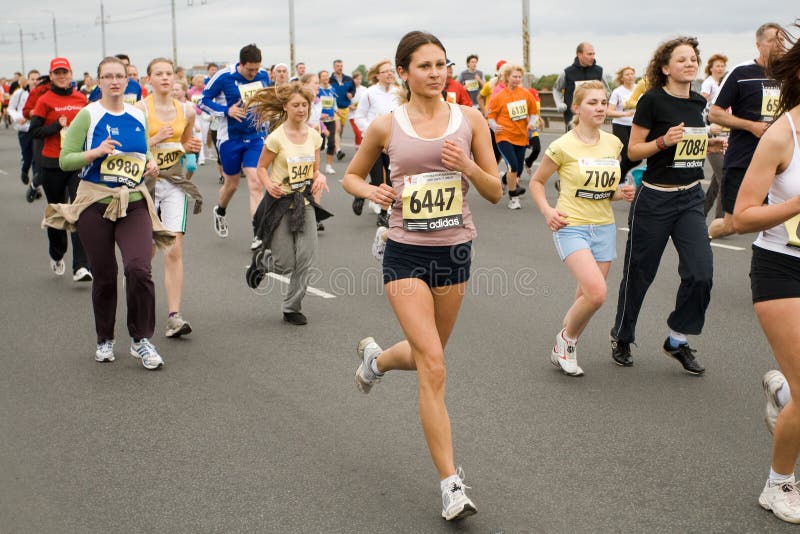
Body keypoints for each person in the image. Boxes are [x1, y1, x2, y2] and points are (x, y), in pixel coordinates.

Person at [342, 30, 502, 521]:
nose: (436, 74)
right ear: (404, 72)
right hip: (405, 254)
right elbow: (350, 175)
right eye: (425, 66)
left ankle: (376, 361)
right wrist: (373, 194)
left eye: (441, 65)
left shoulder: (470, 118)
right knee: (434, 365)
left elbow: (495, 190)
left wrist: (469, 167)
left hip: (454, 251)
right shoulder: (387, 126)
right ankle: (451, 484)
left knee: (424, 352)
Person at [609, 37, 726, 373]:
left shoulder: (697, 101)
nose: (690, 64)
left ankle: (677, 339)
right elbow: (633, 152)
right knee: (639, 273)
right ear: (665, 67)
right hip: (655, 197)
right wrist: (662, 141)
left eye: (693, 59)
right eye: (682, 60)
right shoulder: (652, 100)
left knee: (701, 273)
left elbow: (689, 147)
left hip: (690, 197)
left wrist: (709, 143)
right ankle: (623, 335)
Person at [46, 56, 170, 369]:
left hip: (133, 201)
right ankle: (105, 338)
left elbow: (143, 152)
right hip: (95, 202)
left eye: (120, 76)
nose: (115, 81)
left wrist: (151, 163)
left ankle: (141, 339)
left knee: (139, 269)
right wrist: (96, 152)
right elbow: (66, 160)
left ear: (129, 81)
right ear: (99, 81)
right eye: (108, 76)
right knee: (104, 275)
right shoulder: (88, 115)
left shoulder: (138, 113)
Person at [732, 25, 800, 523]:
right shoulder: (783, 134)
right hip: (781, 269)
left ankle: (782, 391)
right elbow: (742, 215)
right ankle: (778, 485)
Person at [531, 80, 635, 376]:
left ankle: (566, 342)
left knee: (585, 297)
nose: (600, 107)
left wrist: (620, 193)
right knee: (597, 293)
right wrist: (547, 211)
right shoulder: (562, 145)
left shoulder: (613, 143)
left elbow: (604, 190)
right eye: (593, 102)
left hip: (603, 227)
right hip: (571, 226)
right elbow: (537, 183)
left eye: (603, 102)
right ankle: (566, 342)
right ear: (577, 107)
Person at [246, 82, 331, 325]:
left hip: (304, 202)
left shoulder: (314, 136)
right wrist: (267, 184)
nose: (301, 109)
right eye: (296, 105)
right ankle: (262, 262)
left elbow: (315, 170)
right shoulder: (276, 138)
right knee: (284, 264)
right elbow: (261, 167)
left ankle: (291, 307)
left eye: (304, 105)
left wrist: (321, 176)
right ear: (286, 107)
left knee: (306, 258)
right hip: (280, 203)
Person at [138, 58, 203, 338]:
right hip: (145, 185)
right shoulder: (139, 110)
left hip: (173, 182)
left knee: (173, 249)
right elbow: (129, 148)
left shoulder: (186, 110)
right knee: (144, 254)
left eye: (169, 74)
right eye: (158, 74)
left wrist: (191, 148)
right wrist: (153, 141)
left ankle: (174, 316)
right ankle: (139, 300)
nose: (165, 78)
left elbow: (187, 145)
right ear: (148, 79)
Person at [709, 23, 785, 239]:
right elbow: (715, 113)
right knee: (732, 224)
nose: (778, 45)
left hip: (780, 162)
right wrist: (752, 126)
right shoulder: (741, 74)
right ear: (759, 44)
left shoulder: (790, 77)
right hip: (744, 159)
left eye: (781, 40)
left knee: (777, 222)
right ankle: (704, 237)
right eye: (772, 40)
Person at [200, 44, 271, 248]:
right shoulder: (224, 77)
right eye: (250, 69)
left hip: (256, 136)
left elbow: (267, 98)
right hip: (230, 138)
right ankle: (220, 210)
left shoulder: (263, 75)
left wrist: (267, 112)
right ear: (241, 64)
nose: (253, 73)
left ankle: (259, 234)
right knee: (231, 184)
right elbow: (202, 101)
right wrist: (225, 111)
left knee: (256, 182)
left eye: (256, 69)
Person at [30, 57, 92, 282]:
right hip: (52, 163)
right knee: (57, 212)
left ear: (70, 73)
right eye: (57, 73)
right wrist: (57, 126)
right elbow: (34, 131)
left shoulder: (80, 98)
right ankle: (57, 253)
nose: (62, 76)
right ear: (52, 75)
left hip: (76, 162)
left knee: (79, 211)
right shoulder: (45, 100)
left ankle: (81, 266)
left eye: (65, 72)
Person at [353, 60, 401, 227]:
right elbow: (359, 116)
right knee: (378, 179)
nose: (389, 74)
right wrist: (371, 131)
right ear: (377, 75)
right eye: (385, 71)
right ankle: (362, 195)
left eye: (391, 71)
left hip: (392, 143)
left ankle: (383, 212)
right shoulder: (369, 93)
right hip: (373, 142)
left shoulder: (398, 92)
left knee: (391, 179)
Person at [487, 63, 539, 209]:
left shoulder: (525, 94)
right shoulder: (499, 97)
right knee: (513, 165)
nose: (517, 79)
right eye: (514, 76)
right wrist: (494, 126)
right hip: (504, 136)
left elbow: (534, 112)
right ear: (507, 77)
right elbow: (491, 116)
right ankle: (513, 197)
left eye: (519, 77)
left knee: (517, 169)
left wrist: (532, 123)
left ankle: (504, 180)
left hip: (521, 136)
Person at [553, 42, 609, 131]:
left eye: (593, 54)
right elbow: (556, 89)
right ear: (579, 54)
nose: (593, 57)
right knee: (573, 143)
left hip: (593, 116)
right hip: (573, 118)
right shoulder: (567, 72)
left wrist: (604, 105)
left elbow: (607, 91)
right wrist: (559, 103)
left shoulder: (600, 72)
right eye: (589, 54)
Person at [700, 53, 728, 218]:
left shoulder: (722, 83)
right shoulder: (708, 83)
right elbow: (701, 104)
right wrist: (708, 125)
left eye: (722, 66)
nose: (720, 68)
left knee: (716, 183)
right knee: (723, 177)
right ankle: (721, 219)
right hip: (711, 133)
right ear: (711, 68)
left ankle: (700, 212)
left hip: (724, 134)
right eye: (717, 65)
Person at [607, 66, 641, 180]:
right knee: (627, 156)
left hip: (636, 126)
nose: (630, 76)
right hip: (620, 125)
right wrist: (624, 114)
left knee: (638, 156)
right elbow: (609, 111)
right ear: (622, 78)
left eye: (632, 74)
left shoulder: (640, 90)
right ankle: (619, 178)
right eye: (627, 74)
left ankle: (618, 176)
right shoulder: (617, 92)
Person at [7, 70, 39, 185]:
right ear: (28, 80)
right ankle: (24, 170)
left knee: (37, 158)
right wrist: (18, 118)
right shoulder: (19, 93)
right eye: (32, 79)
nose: (35, 81)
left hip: (37, 130)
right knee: (27, 158)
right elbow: (11, 108)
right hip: (24, 130)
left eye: (37, 79)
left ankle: (35, 186)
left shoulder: (43, 94)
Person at [330, 59, 355, 161]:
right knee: (338, 128)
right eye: (337, 66)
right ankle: (339, 150)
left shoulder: (348, 79)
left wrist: (351, 94)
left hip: (345, 108)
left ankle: (337, 145)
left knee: (341, 129)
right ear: (334, 67)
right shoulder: (330, 80)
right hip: (335, 108)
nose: (340, 67)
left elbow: (353, 89)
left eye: (341, 66)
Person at [317, 70, 338, 175]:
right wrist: (319, 115)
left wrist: (336, 109)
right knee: (318, 145)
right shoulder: (317, 90)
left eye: (327, 76)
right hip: (319, 122)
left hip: (331, 120)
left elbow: (334, 103)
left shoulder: (332, 90)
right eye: (323, 76)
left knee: (332, 143)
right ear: (320, 78)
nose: (325, 78)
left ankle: (328, 166)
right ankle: (315, 166)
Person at [348, 70, 367, 148]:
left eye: (360, 79)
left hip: (362, 115)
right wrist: (350, 106)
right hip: (352, 115)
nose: (358, 81)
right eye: (356, 79)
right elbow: (344, 102)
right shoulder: (349, 89)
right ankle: (359, 150)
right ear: (352, 79)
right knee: (358, 133)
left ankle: (359, 150)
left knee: (361, 134)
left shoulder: (365, 89)